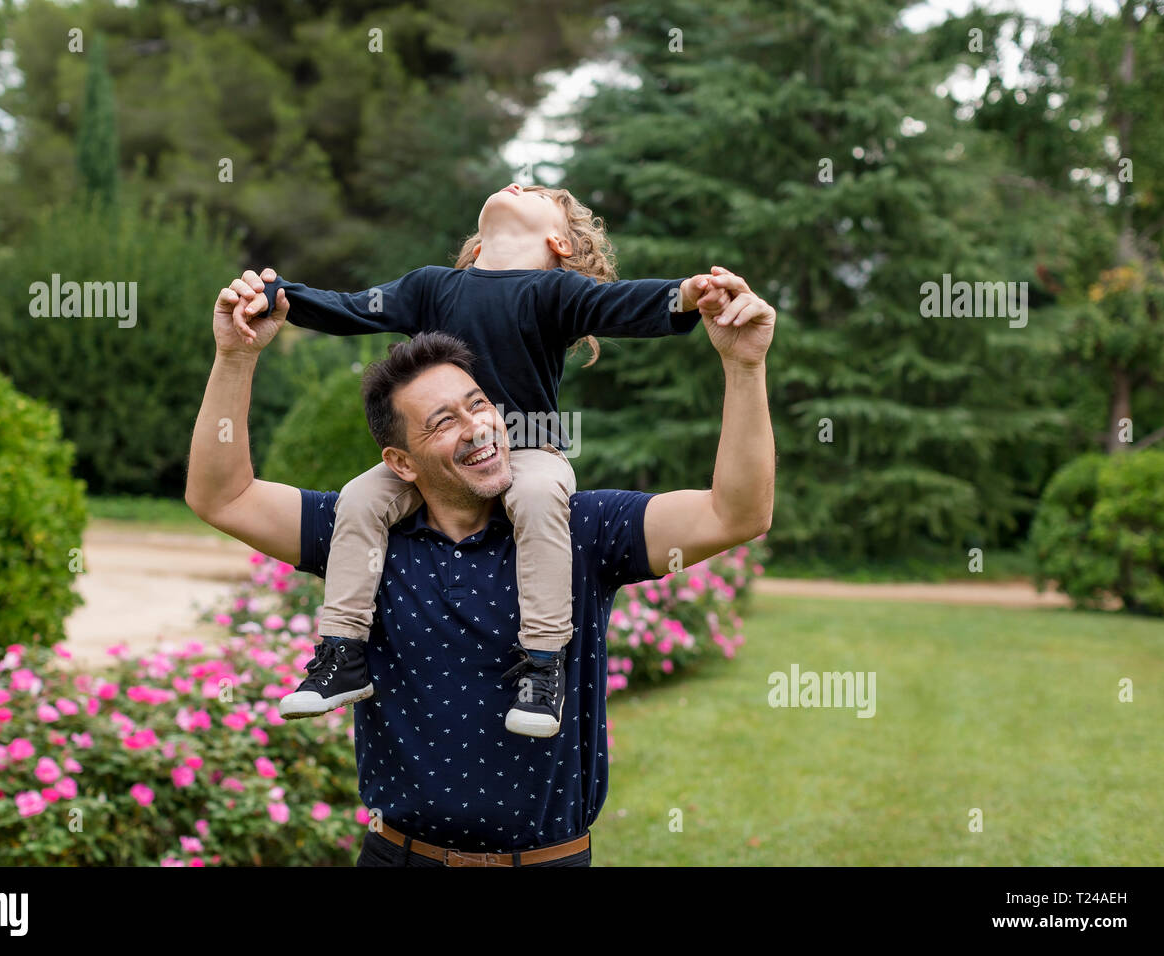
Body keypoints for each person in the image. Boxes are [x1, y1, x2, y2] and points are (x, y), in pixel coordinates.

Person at [185, 267, 775, 865]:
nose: (480, 429)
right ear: (401, 462)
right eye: (445, 422)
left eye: (479, 405)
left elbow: (736, 514)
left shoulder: (582, 530)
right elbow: (222, 496)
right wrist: (235, 356)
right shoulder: (362, 535)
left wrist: (744, 366)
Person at [227, 182, 732, 738]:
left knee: (540, 499)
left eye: (539, 191)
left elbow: (622, 305)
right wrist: (282, 295)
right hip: (437, 459)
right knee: (360, 498)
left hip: (526, 449)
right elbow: (355, 308)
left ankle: (542, 666)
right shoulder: (431, 287)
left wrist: (684, 295)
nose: (518, 183)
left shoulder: (555, 292)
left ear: (559, 243)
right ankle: (343, 652)